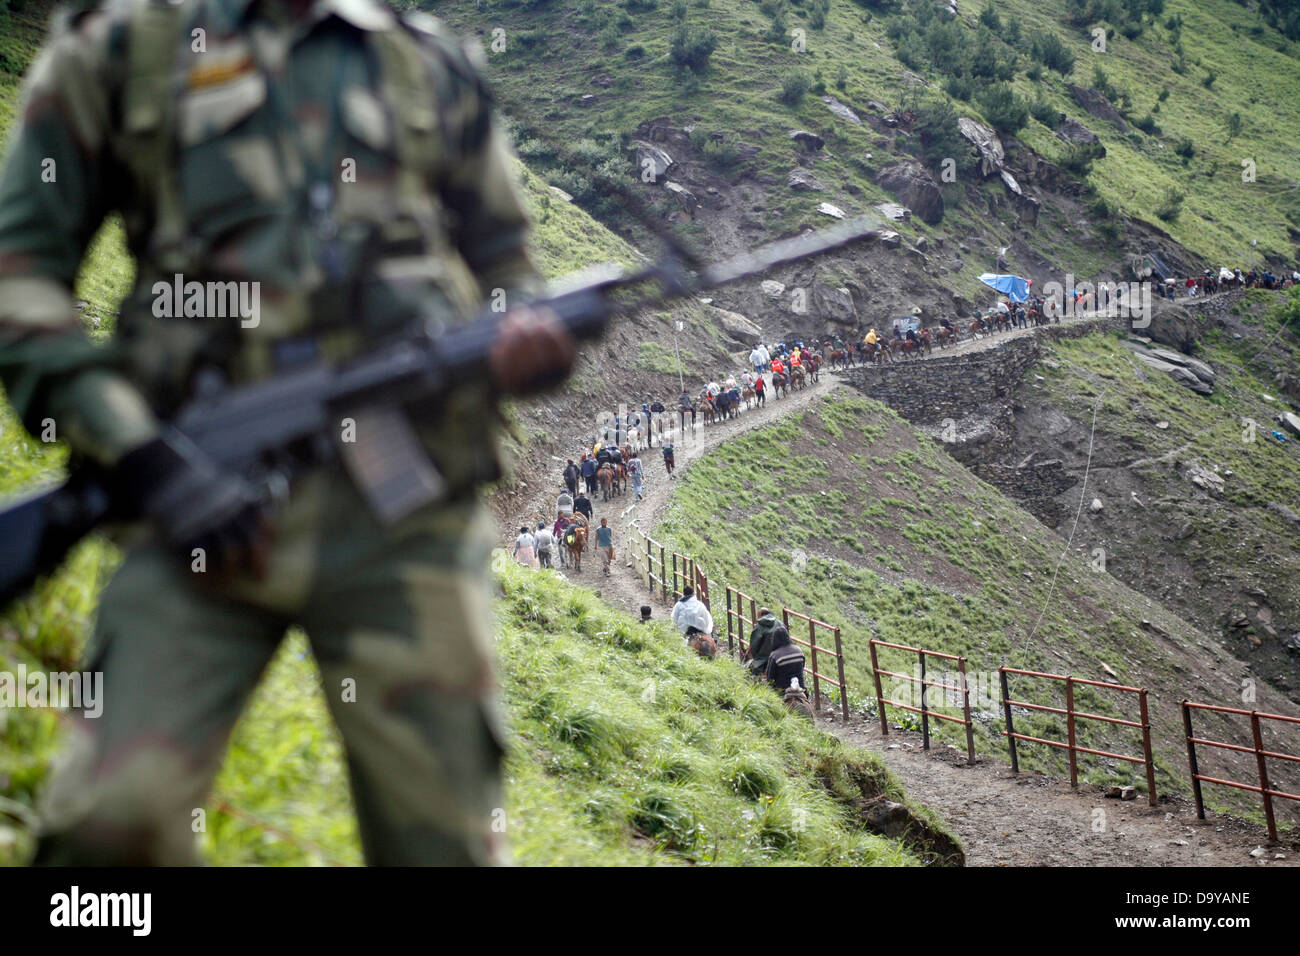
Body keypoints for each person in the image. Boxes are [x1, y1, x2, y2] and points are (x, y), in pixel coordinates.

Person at [0, 0, 578, 866]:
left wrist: (525, 339)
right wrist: (147, 459)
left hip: (405, 514)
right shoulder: (120, 49)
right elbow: (22, 286)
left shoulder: (427, 64)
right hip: (191, 512)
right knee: (112, 828)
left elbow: (509, 265)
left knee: (446, 847)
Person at [764, 626, 806, 692]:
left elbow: (769, 677)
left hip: (782, 690)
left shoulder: (774, 655)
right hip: (801, 687)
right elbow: (802, 666)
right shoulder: (799, 650)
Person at [744, 608, 781, 677]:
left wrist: (752, 654)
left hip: (762, 659)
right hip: (779, 656)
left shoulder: (760, 625)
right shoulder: (780, 624)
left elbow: (754, 643)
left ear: (761, 615)